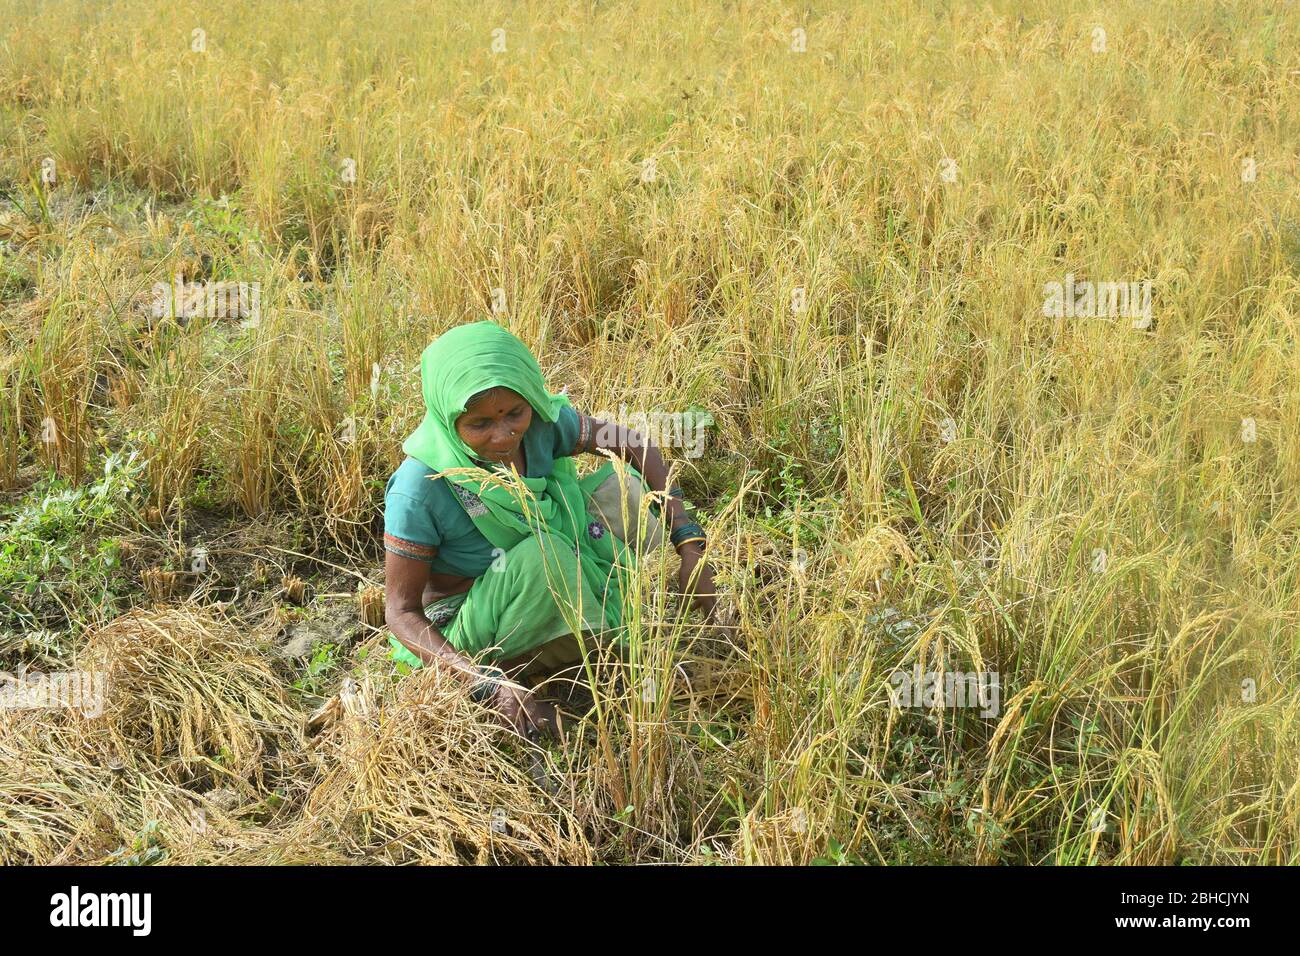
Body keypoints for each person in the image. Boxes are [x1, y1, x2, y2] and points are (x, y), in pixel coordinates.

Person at [382, 320, 722, 737]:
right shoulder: (419, 488)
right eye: (479, 424)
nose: (503, 435)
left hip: (549, 561)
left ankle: (573, 631)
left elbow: (632, 441)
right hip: (467, 626)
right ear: (447, 416)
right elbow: (402, 613)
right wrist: (483, 684)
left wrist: (689, 545)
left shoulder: (542, 423)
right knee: (543, 557)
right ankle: (530, 666)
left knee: (627, 496)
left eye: (514, 414)